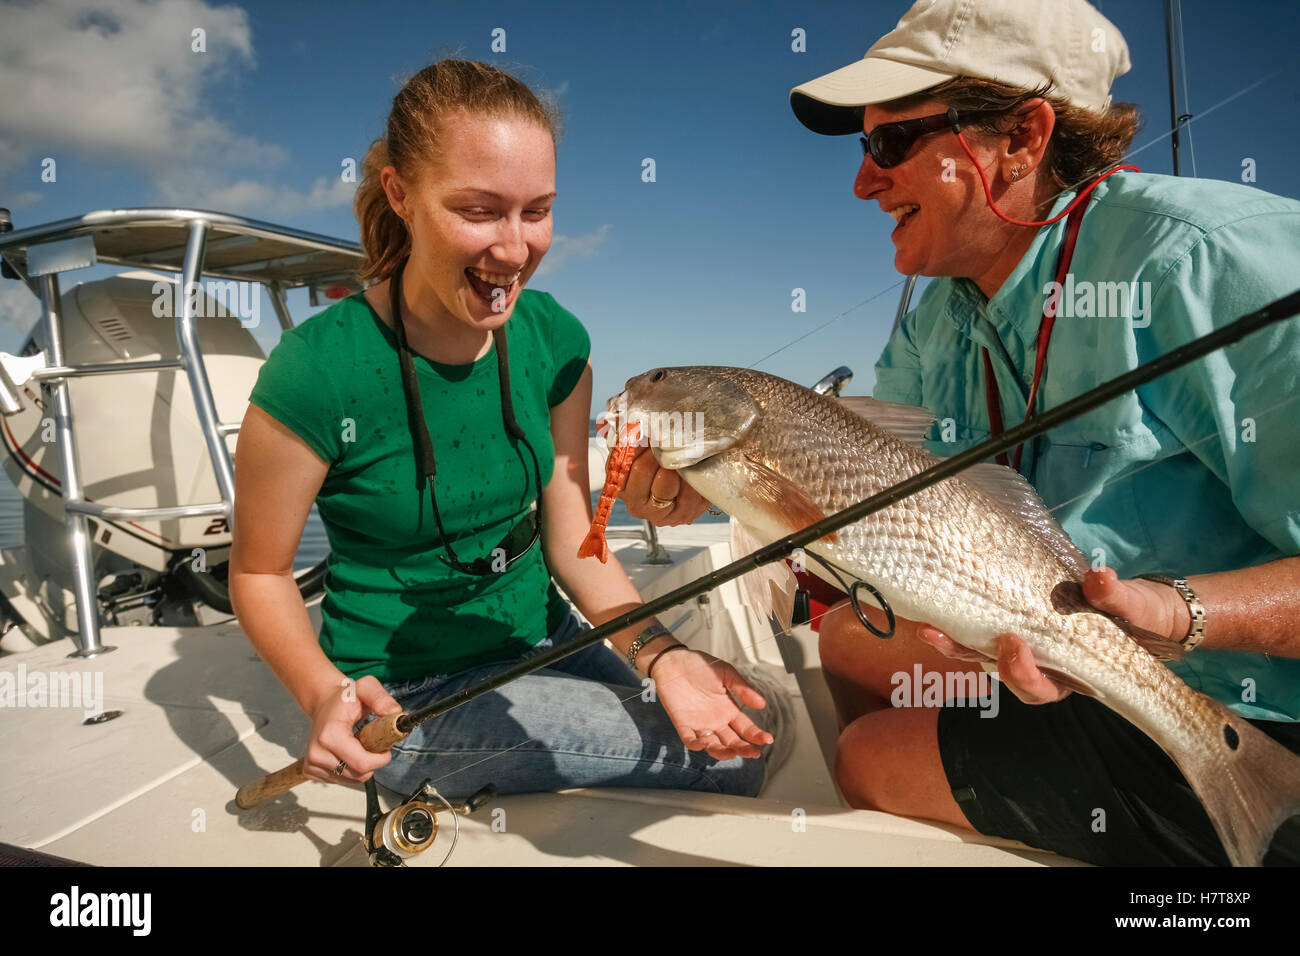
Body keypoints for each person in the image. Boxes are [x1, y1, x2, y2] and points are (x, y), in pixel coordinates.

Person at [624, 0, 1300, 865]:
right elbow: (874, 519)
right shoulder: (933, 320)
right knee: (846, 638)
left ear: (1022, 136)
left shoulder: (1212, 261)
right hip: (1054, 652)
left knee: (865, 758)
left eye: (889, 145)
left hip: (1247, 704)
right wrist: (714, 486)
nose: (864, 183)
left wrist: (1182, 614)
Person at [229, 60, 787, 807]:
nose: (515, 249)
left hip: (549, 631)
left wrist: (663, 657)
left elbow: (573, 543)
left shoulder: (557, 341)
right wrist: (322, 693)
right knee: (732, 762)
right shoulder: (315, 371)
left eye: (537, 210)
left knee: (745, 717)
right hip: (406, 700)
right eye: (480, 211)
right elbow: (260, 574)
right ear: (400, 194)